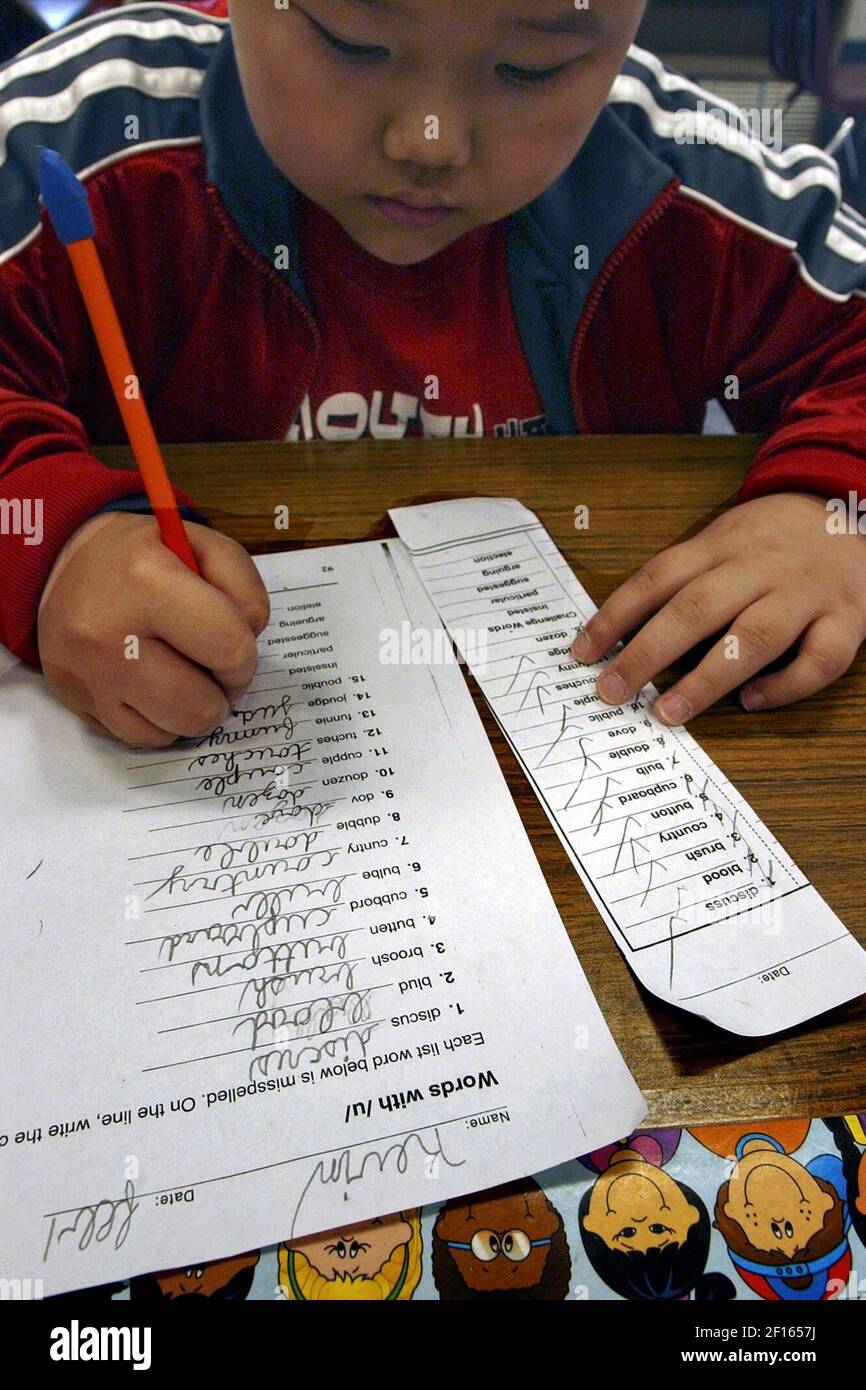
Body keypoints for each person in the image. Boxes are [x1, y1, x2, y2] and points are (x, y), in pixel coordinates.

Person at [2, 0, 866, 748]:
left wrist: (828, 512)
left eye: (534, 66)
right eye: (354, 41)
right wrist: (55, 546)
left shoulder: (686, 189)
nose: (430, 143)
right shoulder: (71, 140)